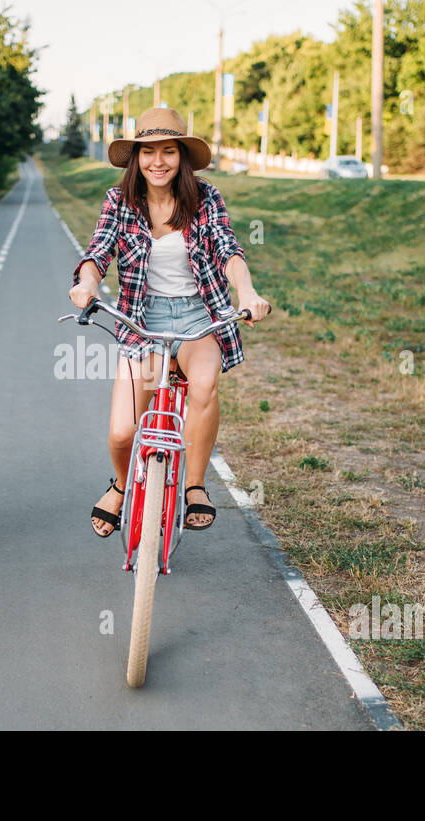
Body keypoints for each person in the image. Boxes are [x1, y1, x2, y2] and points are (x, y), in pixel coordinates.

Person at [68, 107, 271, 537]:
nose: (157, 161)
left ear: (182, 156)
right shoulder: (119, 200)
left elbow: (227, 250)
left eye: (168, 151)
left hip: (199, 316)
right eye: (147, 152)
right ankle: (122, 486)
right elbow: (99, 250)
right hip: (142, 319)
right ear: (135, 157)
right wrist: (86, 284)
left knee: (203, 384)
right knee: (124, 432)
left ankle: (195, 484)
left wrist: (248, 294)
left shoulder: (205, 198)